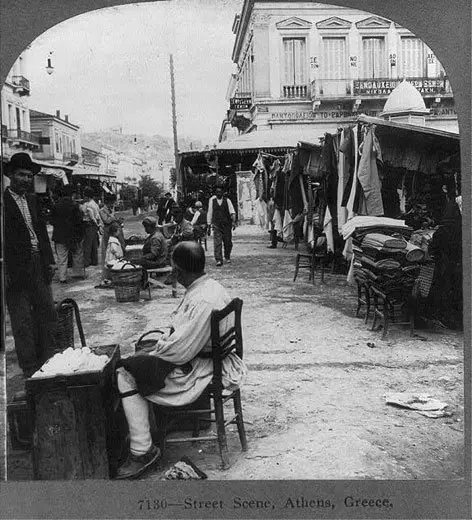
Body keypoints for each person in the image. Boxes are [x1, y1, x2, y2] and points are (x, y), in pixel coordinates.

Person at [114, 241, 247, 479]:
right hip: (201, 355)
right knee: (141, 358)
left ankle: (142, 449)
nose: (173, 273)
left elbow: (179, 351)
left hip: (203, 367)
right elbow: (180, 332)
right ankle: (153, 426)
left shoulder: (202, 300)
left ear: (183, 271)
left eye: (175, 269)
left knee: (125, 374)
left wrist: (158, 348)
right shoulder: (207, 286)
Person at [4, 153, 58, 378]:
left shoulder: (33, 201)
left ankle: (51, 362)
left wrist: (50, 261)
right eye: (21, 175)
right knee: (23, 320)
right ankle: (30, 369)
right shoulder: (4, 203)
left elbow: (42, 234)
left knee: (47, 313)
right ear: (10, 175)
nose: (26, 179)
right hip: (15, 269)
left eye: (29, 176)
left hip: (38, 264)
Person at [50, 184, 85, 283]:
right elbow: (79, 221)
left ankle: (62, 278)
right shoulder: (75, 206)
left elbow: (51, 220)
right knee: (77, 254)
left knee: (62, 257)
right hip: (73, 235)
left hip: (59, 235)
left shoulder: (55, 205)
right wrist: (81, 234)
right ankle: (77, 274)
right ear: (72, 195)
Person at [207, 186, 236, 266]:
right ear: (215, 193)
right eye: (217, 192)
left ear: (223, 193)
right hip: (217, 225)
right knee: (217, 242)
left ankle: (227, 256)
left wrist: (233, 222)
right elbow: (210, 213)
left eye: (220, 192)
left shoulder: (227, 201)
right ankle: (218, 259)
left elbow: (232, 212)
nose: (218, 193)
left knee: (228, 242)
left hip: (227, 225)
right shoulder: (212, 201)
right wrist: (209, 225)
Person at [99, 194, 125, 280]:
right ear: (107, 202)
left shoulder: (111, 209)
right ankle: (108, 275)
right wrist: (114, 218)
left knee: (119, 249)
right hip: (108, 233)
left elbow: (113, 218)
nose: (112, 205)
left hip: (116, 231)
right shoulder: (102, 210)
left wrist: (118, 220)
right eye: (111, 203)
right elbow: (106, 220)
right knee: (109, 252)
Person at [82, 187, 102, 267]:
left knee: (87, 244)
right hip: (94, 225)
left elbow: (91, 216)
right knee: (93, 243)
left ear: (87, 196)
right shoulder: (95, 204)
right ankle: (94, 260)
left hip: (89, 224)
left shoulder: (88, 205)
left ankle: (86, 262)